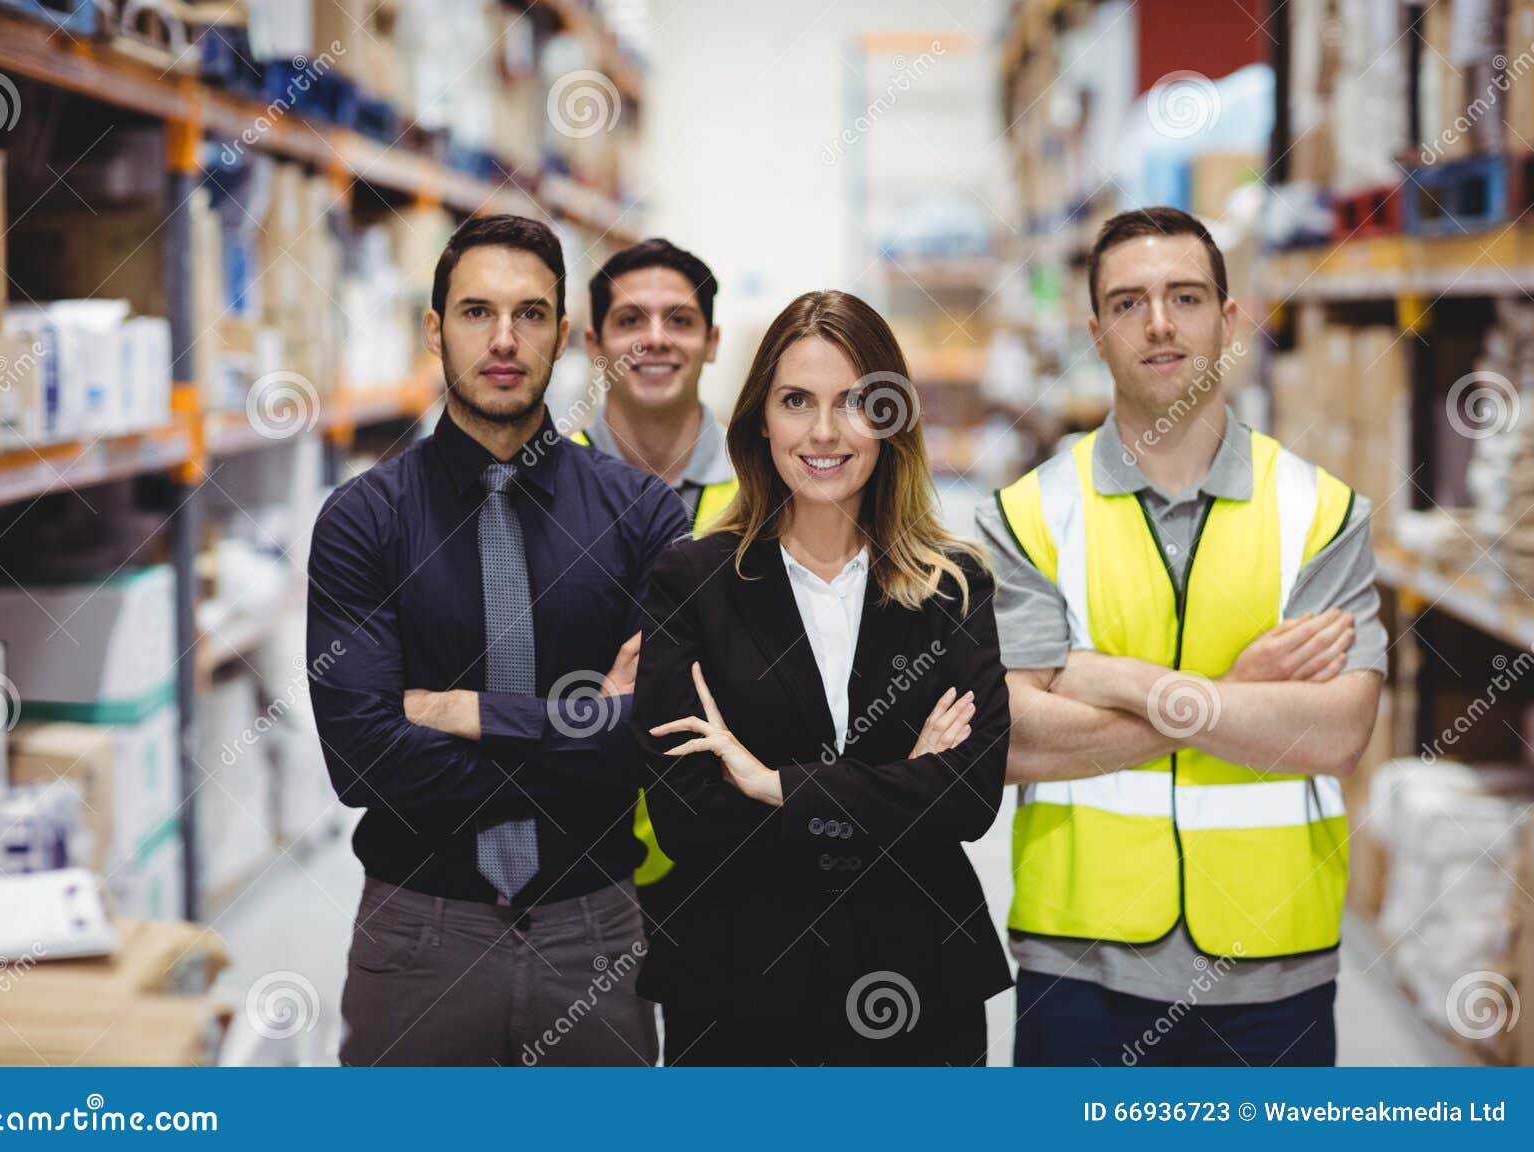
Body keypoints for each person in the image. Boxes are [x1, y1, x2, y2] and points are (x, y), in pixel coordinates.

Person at [980, 206, 1385, 1067]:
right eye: (1128, 304)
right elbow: (1015, 738)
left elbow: (1337, 731)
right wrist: (1239, 693)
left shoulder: (1321, 512)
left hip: (1274, 966)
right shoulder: (1027, 515)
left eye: (1186, 297)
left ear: (1229, 320)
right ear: (1095, 331)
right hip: (1078, 963)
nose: (1159, 323)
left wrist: (1108, 677)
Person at [307, 215, 688, 1066]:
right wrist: (582, 727)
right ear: (435, 329)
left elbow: (656, 741)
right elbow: (363, 762)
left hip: (592, 932)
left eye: (531, 313)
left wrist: (463, 711)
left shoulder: (643, 516)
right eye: (477, 312)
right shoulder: (363, 521)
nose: (505, 339)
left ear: (564, 335)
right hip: (418, 932)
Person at [631, 289, 1012, 1066]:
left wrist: (776, 784)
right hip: (739, 997)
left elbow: (969, 798)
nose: (825, 432)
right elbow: (687, 816)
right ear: (760, 420)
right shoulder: (691, 583)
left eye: (853, 403)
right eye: (796, 401)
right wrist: (901, 783)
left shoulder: (953, 586)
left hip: (920, 989)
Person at [573, 238, 735, 937]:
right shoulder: (537, 489)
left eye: (680, 319)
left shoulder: (773, 489)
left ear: (712, 341)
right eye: (631, 319)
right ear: (593, 343)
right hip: (577, 846)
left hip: (732, 849)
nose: (656, 338)